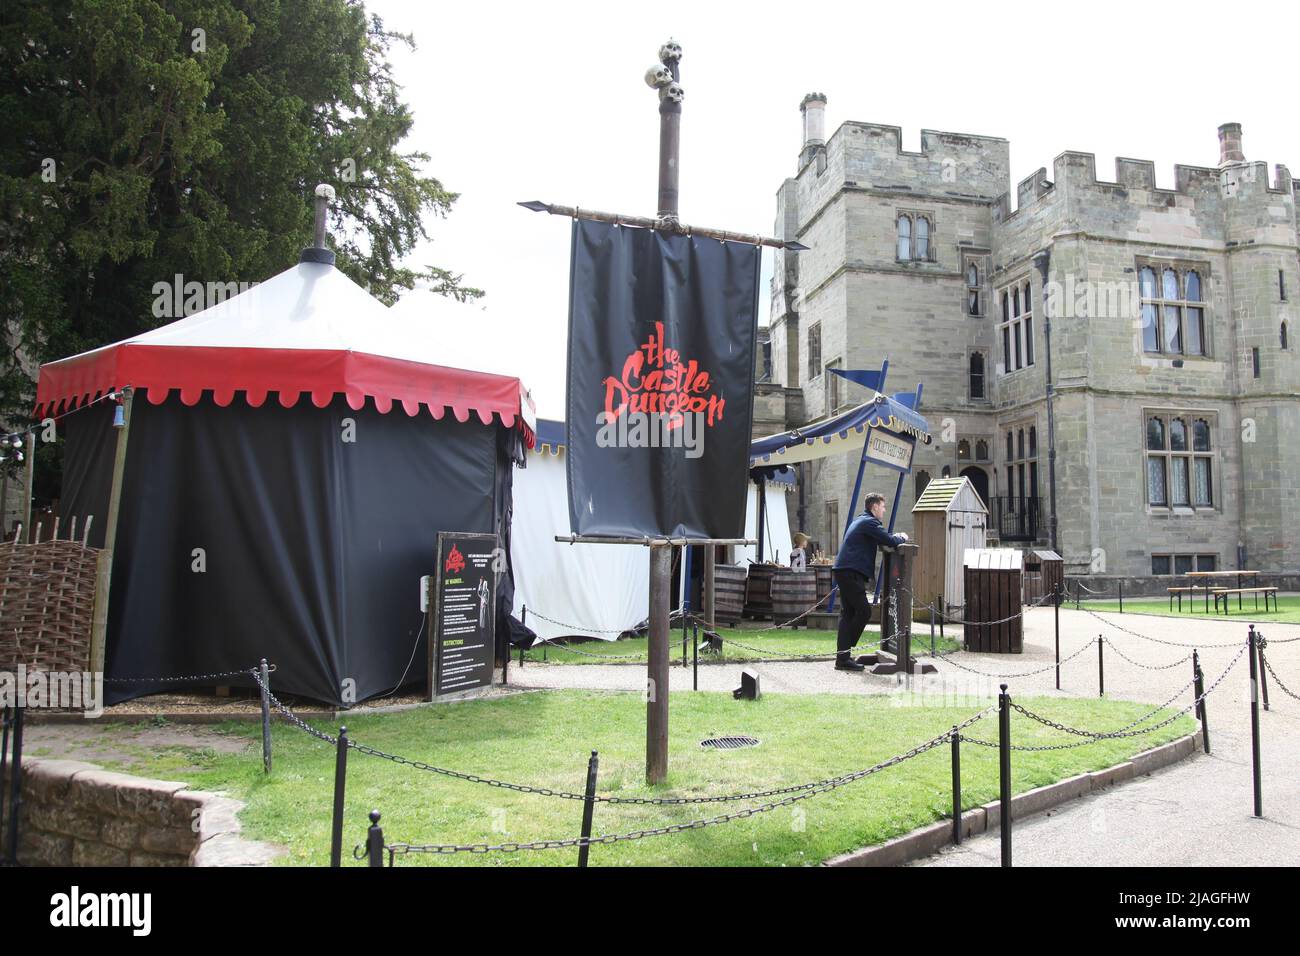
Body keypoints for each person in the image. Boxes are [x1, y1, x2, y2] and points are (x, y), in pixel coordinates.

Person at [831, 492, 908, 671]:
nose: (884, 510)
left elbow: (882, 537)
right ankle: (843, 655)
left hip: (845, 570)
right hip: (850, 572)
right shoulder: (869, 522)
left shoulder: (862, 520)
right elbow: (889, 540)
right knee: (864, 611)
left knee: (848, 614)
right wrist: (902, 537)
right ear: (874, 507)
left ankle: (843, 658)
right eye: (882, 506)